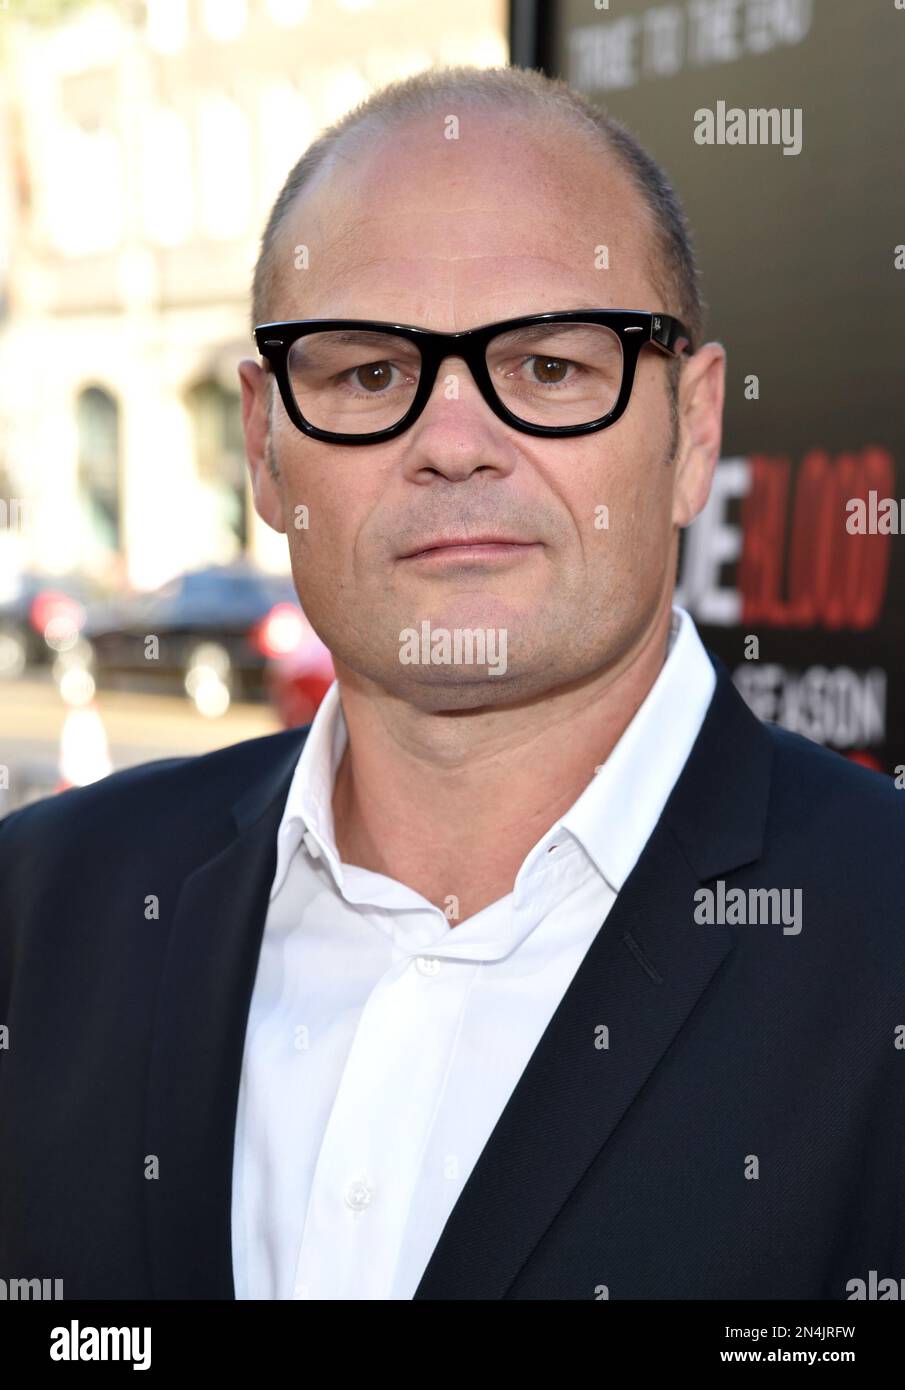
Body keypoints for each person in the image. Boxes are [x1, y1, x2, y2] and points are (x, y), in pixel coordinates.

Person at [0, 65, 902, 1302]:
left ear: (693, 433)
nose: (456, 438)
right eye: (369, 374)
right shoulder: (39, 915)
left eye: (547, 369)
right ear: (264, 445)